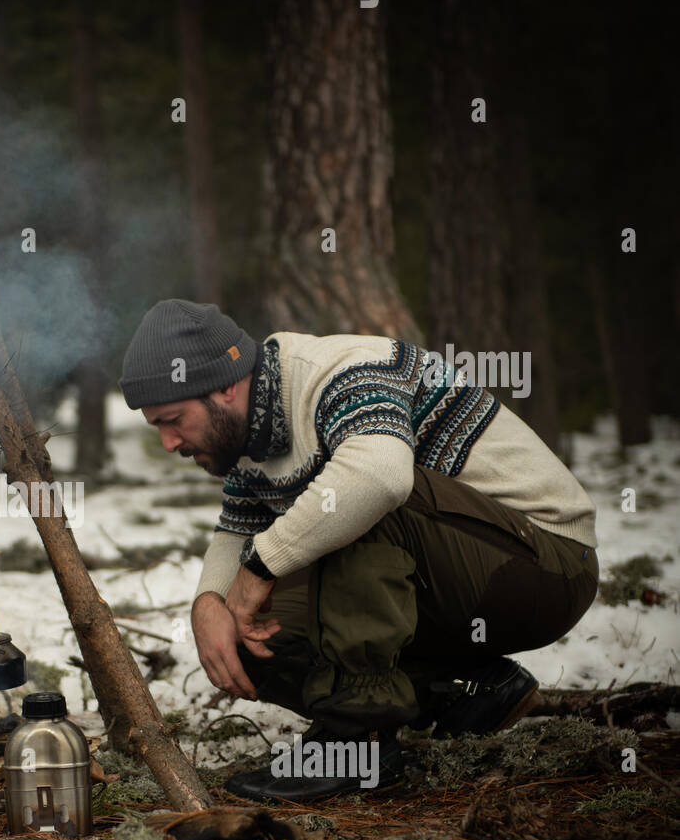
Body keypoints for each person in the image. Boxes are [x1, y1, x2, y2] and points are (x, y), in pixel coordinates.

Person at [119, 299, 598, 801]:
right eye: (157, 427)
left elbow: (382, 477)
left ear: (225, 386)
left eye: (174, 420)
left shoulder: (344, 372)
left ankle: (357, 737)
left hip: (548, 566)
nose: (169, 442)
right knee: (243, 639)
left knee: (353, 493)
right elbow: (238, 528)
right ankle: (464, 686)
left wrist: (260, 568)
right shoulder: (247, 435)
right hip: (456, 591)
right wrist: (208, 604)